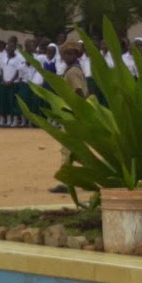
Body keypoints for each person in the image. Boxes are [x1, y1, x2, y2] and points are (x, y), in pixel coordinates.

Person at [50, 42, 91, 192]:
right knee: (79, 148)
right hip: (76, 113)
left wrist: (77, 109)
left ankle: (67, 181)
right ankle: (91, 176)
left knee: (67, 147)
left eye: (69, 54)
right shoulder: (75, 69)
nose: (66, 57)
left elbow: (79, 91)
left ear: (74, 55)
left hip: (72, 113)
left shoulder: (72, 71)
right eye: (65, 54)